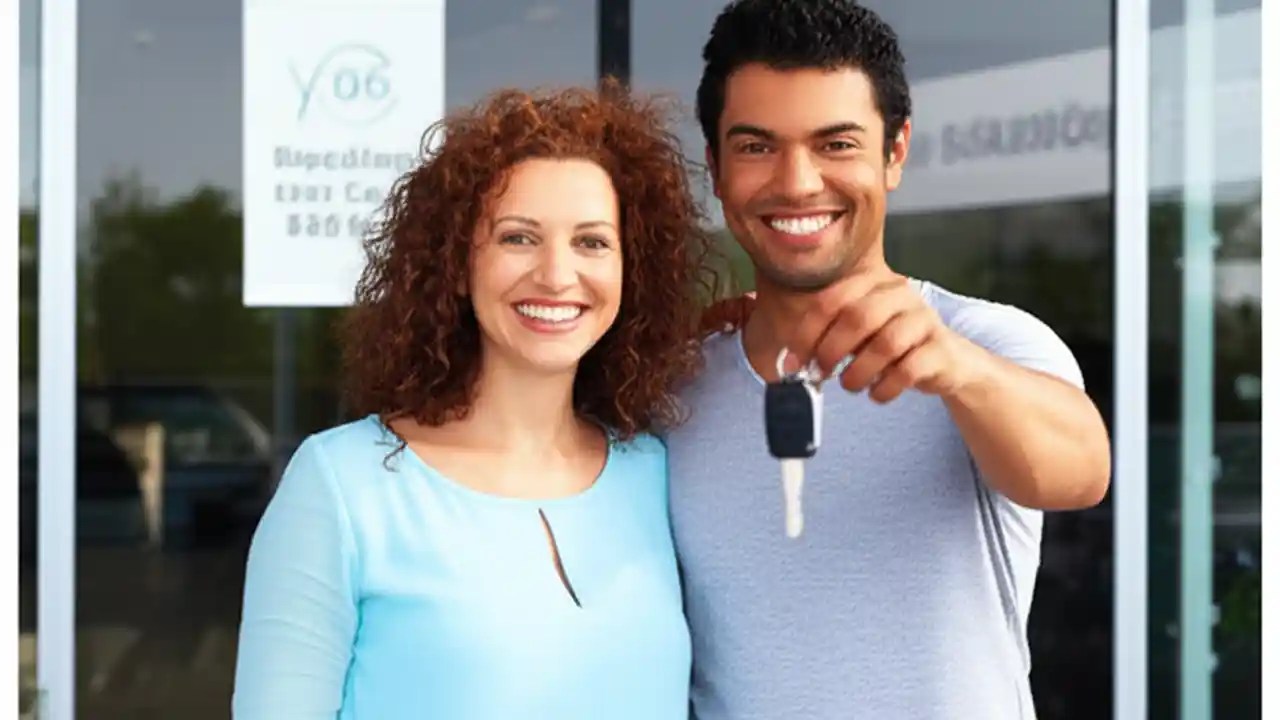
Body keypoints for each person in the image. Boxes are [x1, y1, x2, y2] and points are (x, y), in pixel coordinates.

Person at [665, 1, 1113, 718]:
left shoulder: (987, 343)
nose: (797, 181)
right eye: (756, 147)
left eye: (836, 144)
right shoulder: (675, 384)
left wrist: (957, 368)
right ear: (715, 169)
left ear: (895, 153)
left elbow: (1080, 470)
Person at [232, 84, 716, 719]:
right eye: (518, 238)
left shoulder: (657, 472)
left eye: (592, 242)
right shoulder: (341, 487)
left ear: (633, 271)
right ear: (457, 264)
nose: (556, 274)